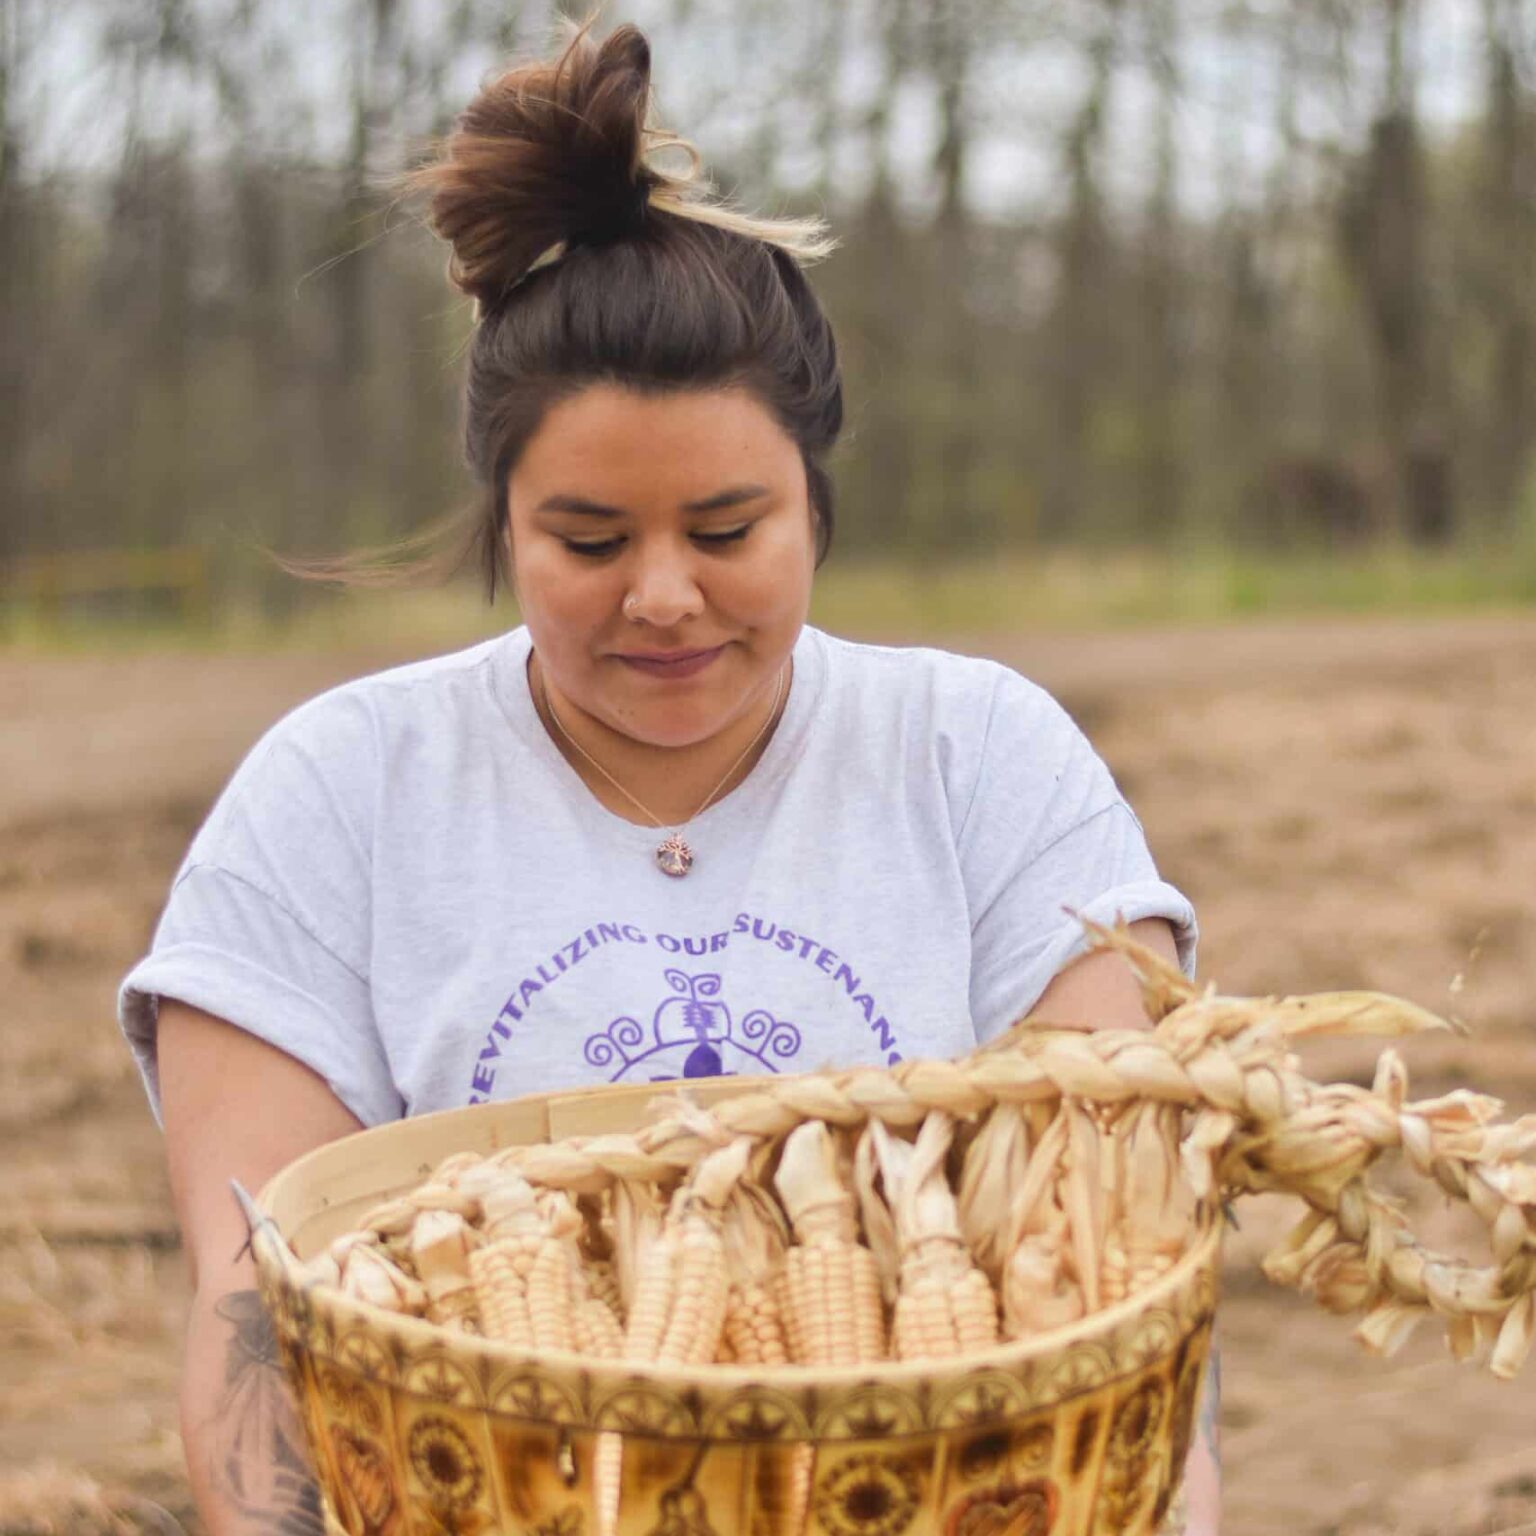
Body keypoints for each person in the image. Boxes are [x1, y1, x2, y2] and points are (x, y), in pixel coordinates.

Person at [117, 19, 1219, 1536]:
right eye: (587, 540)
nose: (662, 598)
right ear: (504, 521)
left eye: (724, 531)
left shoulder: (985, 761)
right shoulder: (335, 797)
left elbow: (1122, 1275)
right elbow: (260, 1324)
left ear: (814, 506)